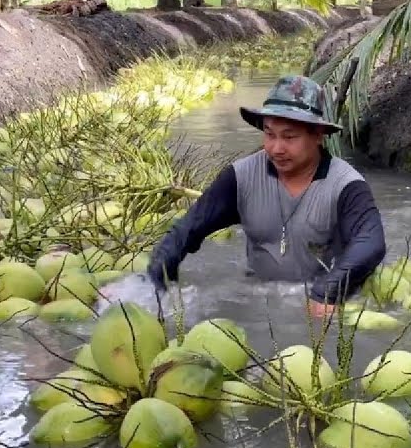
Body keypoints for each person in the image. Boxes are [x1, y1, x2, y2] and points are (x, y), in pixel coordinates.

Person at [146, 74, 387, 319]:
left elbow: (370, 242)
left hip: (322, 308)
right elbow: (188, 228)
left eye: (289, 137)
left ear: (317, 136)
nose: (276, 148)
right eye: (270, 134)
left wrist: (328, 291)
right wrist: (157, 277)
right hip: (258, 299)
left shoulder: (346, 184)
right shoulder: (241, 177)